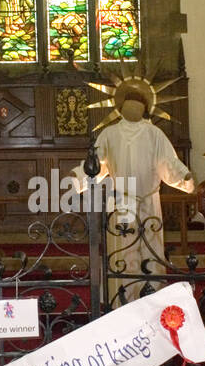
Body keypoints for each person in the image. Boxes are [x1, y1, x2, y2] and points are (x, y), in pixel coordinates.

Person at [73, 78, 194, 301]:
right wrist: (77, 178)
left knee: (150, 253)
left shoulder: (154, 134)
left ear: (146, 108)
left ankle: (152, 302)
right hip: (120, 201)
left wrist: (185, 178)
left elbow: (168, 162)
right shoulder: (109, 134)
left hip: (149, 201)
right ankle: (121, 301)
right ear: (120, 107)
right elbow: (95, 164)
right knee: (122, 253)